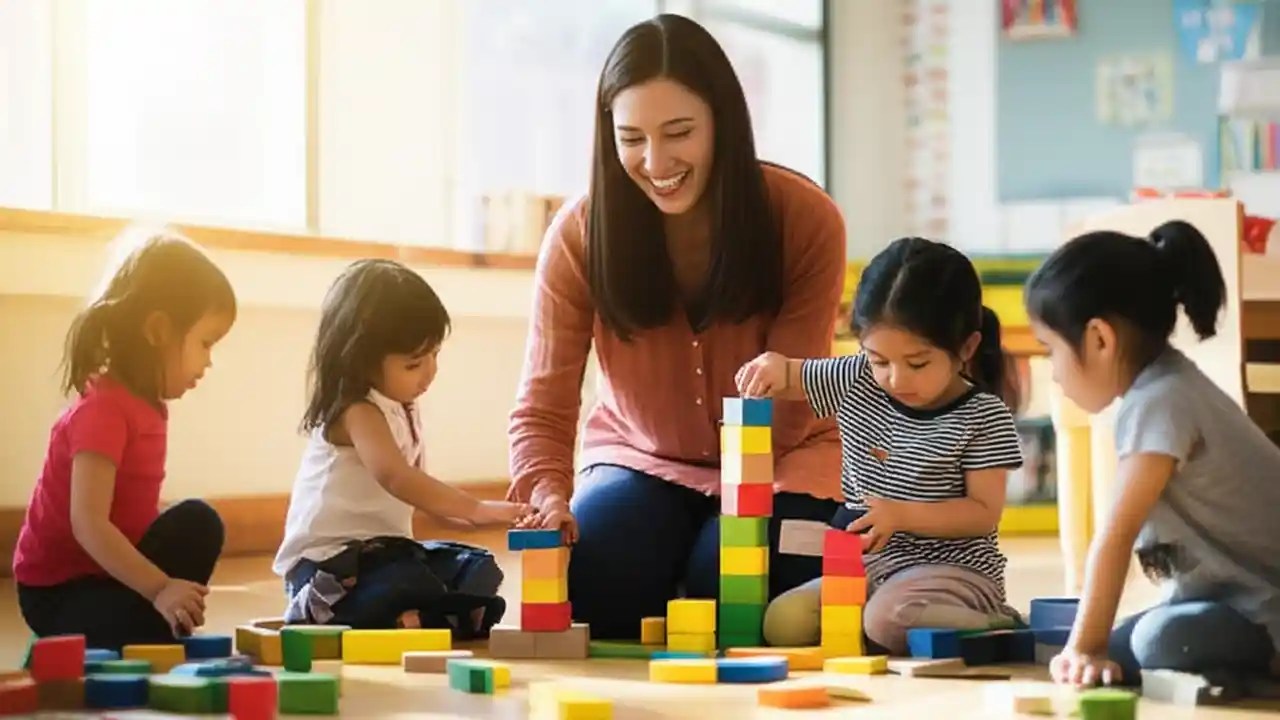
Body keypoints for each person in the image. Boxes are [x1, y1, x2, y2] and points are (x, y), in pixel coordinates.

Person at [506, 13, 846, 639]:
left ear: (722, 121)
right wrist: (546, 493)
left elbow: (792, 407)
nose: (654, 161)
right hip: (641, 459)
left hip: (786, 459)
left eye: (678, 132)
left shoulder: (804, 218)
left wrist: (724, 516)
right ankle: (673, 565)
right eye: (630, 137)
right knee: (596, 590)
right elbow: (544, 406)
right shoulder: (580, 237)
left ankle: (692, 567)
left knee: (742, 592)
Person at [1025, 220, 1280, 693]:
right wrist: (1091, 646)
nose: (1053, 372)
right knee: (1122, 647)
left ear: (1100, 339)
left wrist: (1085, 646)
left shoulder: (1162, 400)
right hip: (1232, 604)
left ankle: (1257, 677)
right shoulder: (1163, 388)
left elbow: (1115, 534)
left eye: (1050, 349)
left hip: (1265, 607)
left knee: (1158, 641)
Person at [738, 237, 1024, 654]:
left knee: (887, 617)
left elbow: (983, 514)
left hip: (954, 572)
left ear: (966, 348)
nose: (895, 379)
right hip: (871, 568)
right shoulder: (856, 377)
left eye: (918, 363)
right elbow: (792, 376)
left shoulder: (982, 416)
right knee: (783, 621)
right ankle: (885, 629)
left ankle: (1000, 624)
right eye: (879, 360)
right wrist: (772, 368)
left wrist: (902, 514)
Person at [273, 259, 531, 637]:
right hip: (329, 565)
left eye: (435, 355)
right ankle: (320, 607)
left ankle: (418, 616)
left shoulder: (402, 409)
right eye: (414, 364)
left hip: (385, 554)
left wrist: (499, 515)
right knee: (408, 583)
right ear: (360, 360)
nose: (430, 373)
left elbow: (424, 499)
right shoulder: (358, 411)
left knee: (477, 567)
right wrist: (476, 509)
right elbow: (396, 476)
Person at [13, 228, 237, 650]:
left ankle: (144, 624)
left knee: (199, 522)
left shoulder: (148, 406)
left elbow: (133, 513)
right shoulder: (103, 411)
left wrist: (164, 584)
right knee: (130, 625)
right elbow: (89, 524)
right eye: (205, 343)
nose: (209, 362)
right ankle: (139, 623)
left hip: (109, 577)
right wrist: (158, 588)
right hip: (60, 593)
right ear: (157, 331)